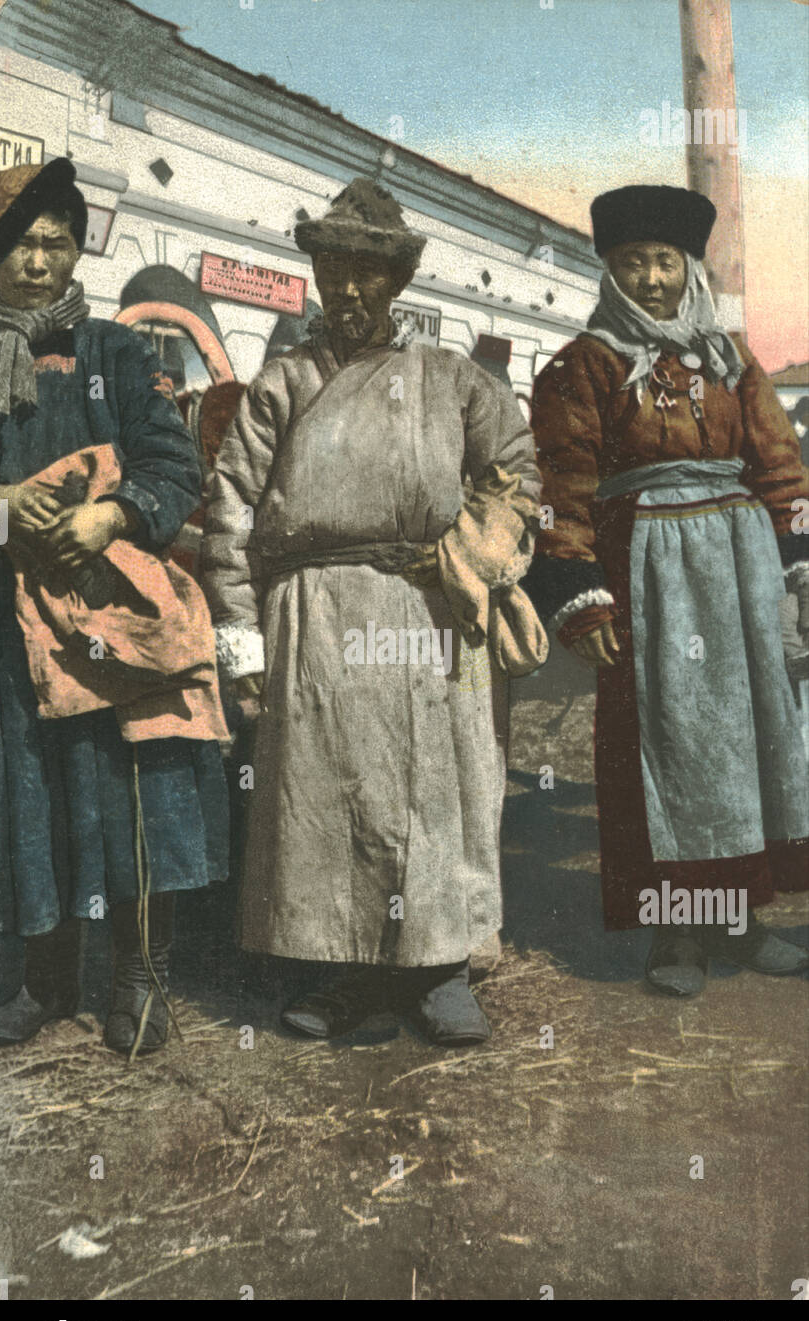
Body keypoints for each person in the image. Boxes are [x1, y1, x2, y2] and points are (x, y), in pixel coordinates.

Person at [200, 177, 546, 1045]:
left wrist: (479, 546)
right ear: (316, 275)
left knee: (439, 794)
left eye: (369, 272)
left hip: (431, 610)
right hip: (313, 616)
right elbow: (230, 516)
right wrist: (242, 646)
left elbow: (517, 475)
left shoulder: (452, 379)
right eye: (335, 270)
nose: (351, 289)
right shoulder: (280, 386)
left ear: (398, 281)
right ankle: (334, 972)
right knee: (324, 800)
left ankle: (439, 971)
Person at [523, 183, 809, 997]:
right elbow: (563, 483)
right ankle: (674, 935)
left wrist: (799, 565)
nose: (649, 279)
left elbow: (779, 465)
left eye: (662, 262)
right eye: (630, 264)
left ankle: (739, 919)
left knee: (744, 743)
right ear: (610, 274)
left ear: (687, 269)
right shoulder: (582, 365)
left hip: (739, 569)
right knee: (663, 745)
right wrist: (578, 588)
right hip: (644, 568)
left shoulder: (728, 358)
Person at [0, 159, 229, 1053]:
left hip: (108, 618)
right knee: (33, 794)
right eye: (21, 244)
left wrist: (111, 514)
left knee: (131, 795)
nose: (39, 262)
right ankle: (46, 983)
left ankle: (139, 981)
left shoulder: (116, 355)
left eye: (56, 242)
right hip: (5, 626)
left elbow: (176, 471)